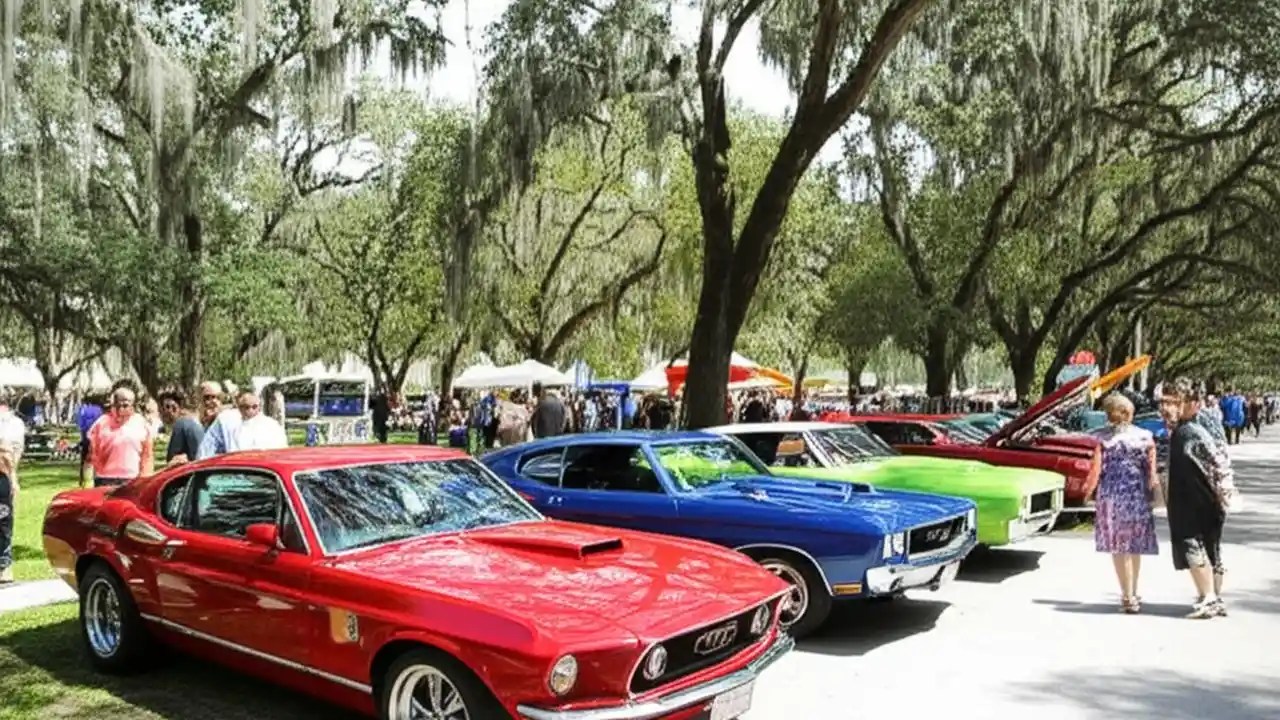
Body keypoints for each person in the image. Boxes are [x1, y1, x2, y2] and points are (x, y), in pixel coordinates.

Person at [1167, 379, 1233, 619]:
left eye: (1176, 402)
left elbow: (1217, 465)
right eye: (1167, 402)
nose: (1169, 408)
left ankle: (1209, 597)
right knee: (1210, 548)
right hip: (1204, 500)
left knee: (1193, 545)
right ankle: (1212, 596)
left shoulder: (1190, 432)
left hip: (1197, 500)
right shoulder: (1196, 426)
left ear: (1193, 403)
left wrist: (1223, 493)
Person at [1090, 393, 1160, 613]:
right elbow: (1152, 472)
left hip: (1112, 496)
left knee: (1119, 547)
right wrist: (1154, 495)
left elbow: (1095, 470)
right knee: (1134, 546)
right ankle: (1133, 591)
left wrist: (1089, 493)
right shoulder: (1145, 436)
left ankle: (1128, 596)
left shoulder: (1100, 438)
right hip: (1137, 495)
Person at [87, 386, 155, 488]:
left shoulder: (141, 424)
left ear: (133, 406)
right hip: (104, 480)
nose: (120, 410)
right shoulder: (100, 423)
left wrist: (145, 480)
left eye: (125, 405)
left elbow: (147, 456)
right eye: (116, 405)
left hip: (132, 479)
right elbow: (92, 454)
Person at [198, 390, 287, 458]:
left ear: (259, 407)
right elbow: (206, 450)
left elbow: (281, 453)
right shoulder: (227, 421)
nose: (250, 411)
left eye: (254, 407)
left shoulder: (271, 426)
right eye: (246, 407)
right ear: (239, 407)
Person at [157, 389, 205, 466]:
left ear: (180, 408)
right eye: (165, 408)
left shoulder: (186, 426)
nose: (169, 411)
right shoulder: (161, 430)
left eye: (173, 408)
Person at [76, 394, 104, 488]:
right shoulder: (99, 410)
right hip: (96, 438)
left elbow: (80, 423)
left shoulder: (83, 409)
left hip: (86, 437)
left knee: (84, 459)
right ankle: (96, 477)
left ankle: (82, 479)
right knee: (96, 458)